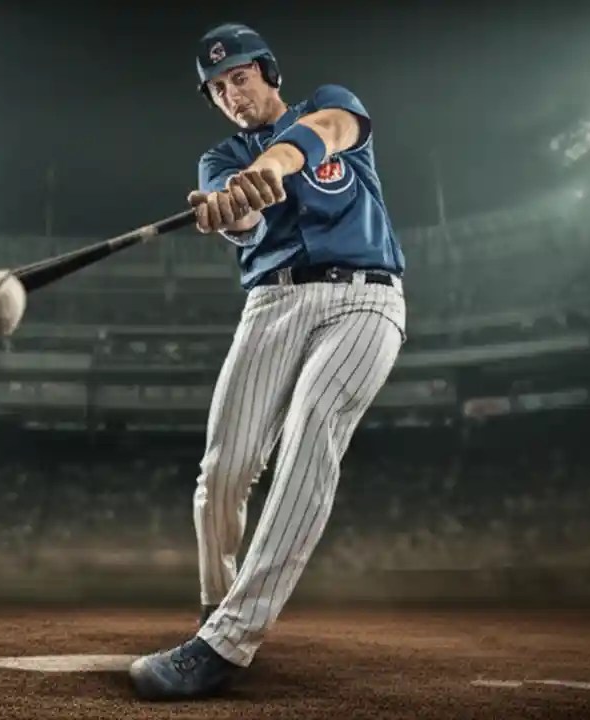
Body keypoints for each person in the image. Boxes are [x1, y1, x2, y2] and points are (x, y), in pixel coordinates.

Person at [128, 22, 408, 700]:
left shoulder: (328, 102)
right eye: (217, 88)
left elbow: (330, 133)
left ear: (269, 71)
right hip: (272, 306)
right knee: (221, 473)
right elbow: (243, 225)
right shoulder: (216, 160)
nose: (230, 93)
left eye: (240, 77)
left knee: (312, 439)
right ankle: (215, 610)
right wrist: (230, 208)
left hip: (364, 300)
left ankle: (227, 644)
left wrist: (271, 169)